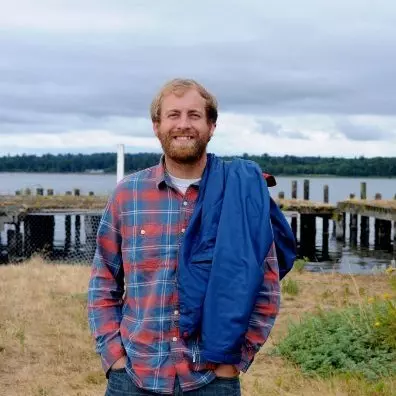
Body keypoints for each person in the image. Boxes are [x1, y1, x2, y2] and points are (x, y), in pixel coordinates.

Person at [88, 78, 280, 395]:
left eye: (194, 115)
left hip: (212, 378)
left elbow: (267, 283)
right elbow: (103, 280)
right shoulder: (128, 195)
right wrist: (114, 357)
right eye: (173, 115)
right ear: (157, 125)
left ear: (212, 125)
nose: (183, 125)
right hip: (134, 376)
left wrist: (235, 361)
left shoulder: (238, 193)